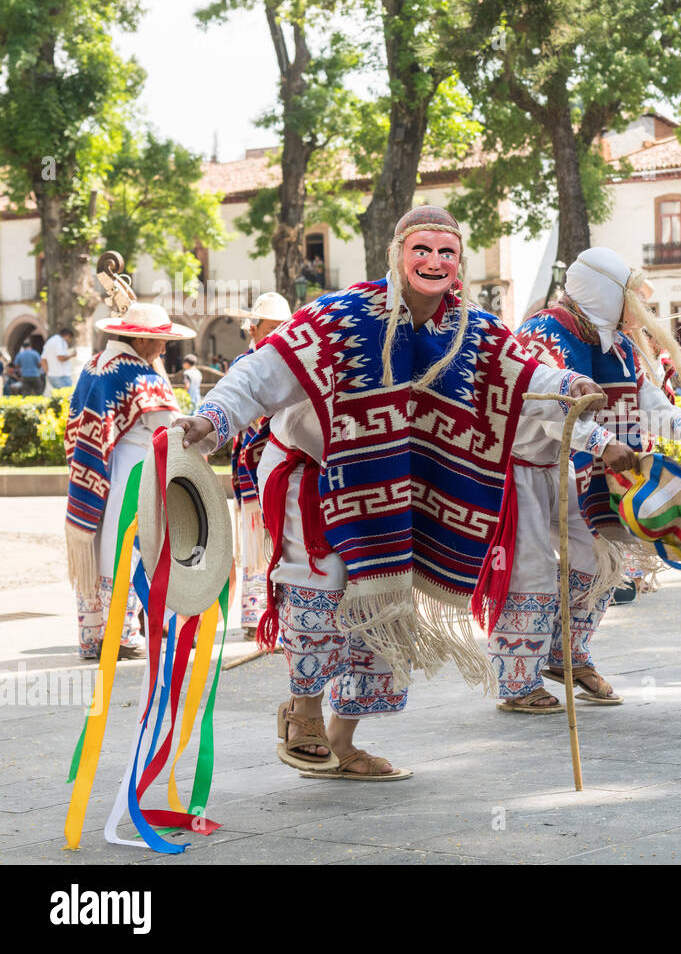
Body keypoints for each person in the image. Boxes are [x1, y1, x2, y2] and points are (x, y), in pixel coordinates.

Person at [173, 205, 607, 780]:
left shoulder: (473, 332)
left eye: (446, 252)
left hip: (399, 490)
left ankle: (342, 740)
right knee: (321, 595)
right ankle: (302, 712)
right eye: (421, 249)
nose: (434, 261)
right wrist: (210, 420)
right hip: (319, 477)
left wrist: (573, 386)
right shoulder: (338, 316)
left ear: (459, 263)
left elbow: (526, 376)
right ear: (397, 255)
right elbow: (260, 372)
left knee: (384, 612)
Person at [504, 248, 681, 710]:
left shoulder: (617, 343)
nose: (636, 307)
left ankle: (567, 654)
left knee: (599, 564)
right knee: (531, 573)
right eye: (628, 296)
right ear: (602, 293)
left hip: (584, 473)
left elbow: (648, 401)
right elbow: (547, 412)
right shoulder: (541, 334)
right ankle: (517, 682)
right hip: (524, 470)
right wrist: (602, 444)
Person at [64, 303, 191, 660]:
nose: (164, 350)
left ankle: (95, 634)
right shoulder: (140, 376)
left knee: (101, 547)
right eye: (159, 342)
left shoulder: (95, 366)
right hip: (134, 473)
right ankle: (122, 634)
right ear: (140, 340)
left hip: (94, 470)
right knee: (129, 547)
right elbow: (174, 426)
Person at [225, 292, 293, 641]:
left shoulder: (291, 363)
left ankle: (278, 616)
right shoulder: (243, 365)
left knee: (281, 536)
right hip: (252, 467)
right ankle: (256, 615)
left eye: (283, 327)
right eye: (270, 327)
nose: (276, 333)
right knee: (253, 539)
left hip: (284, 466)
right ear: (253, 330)